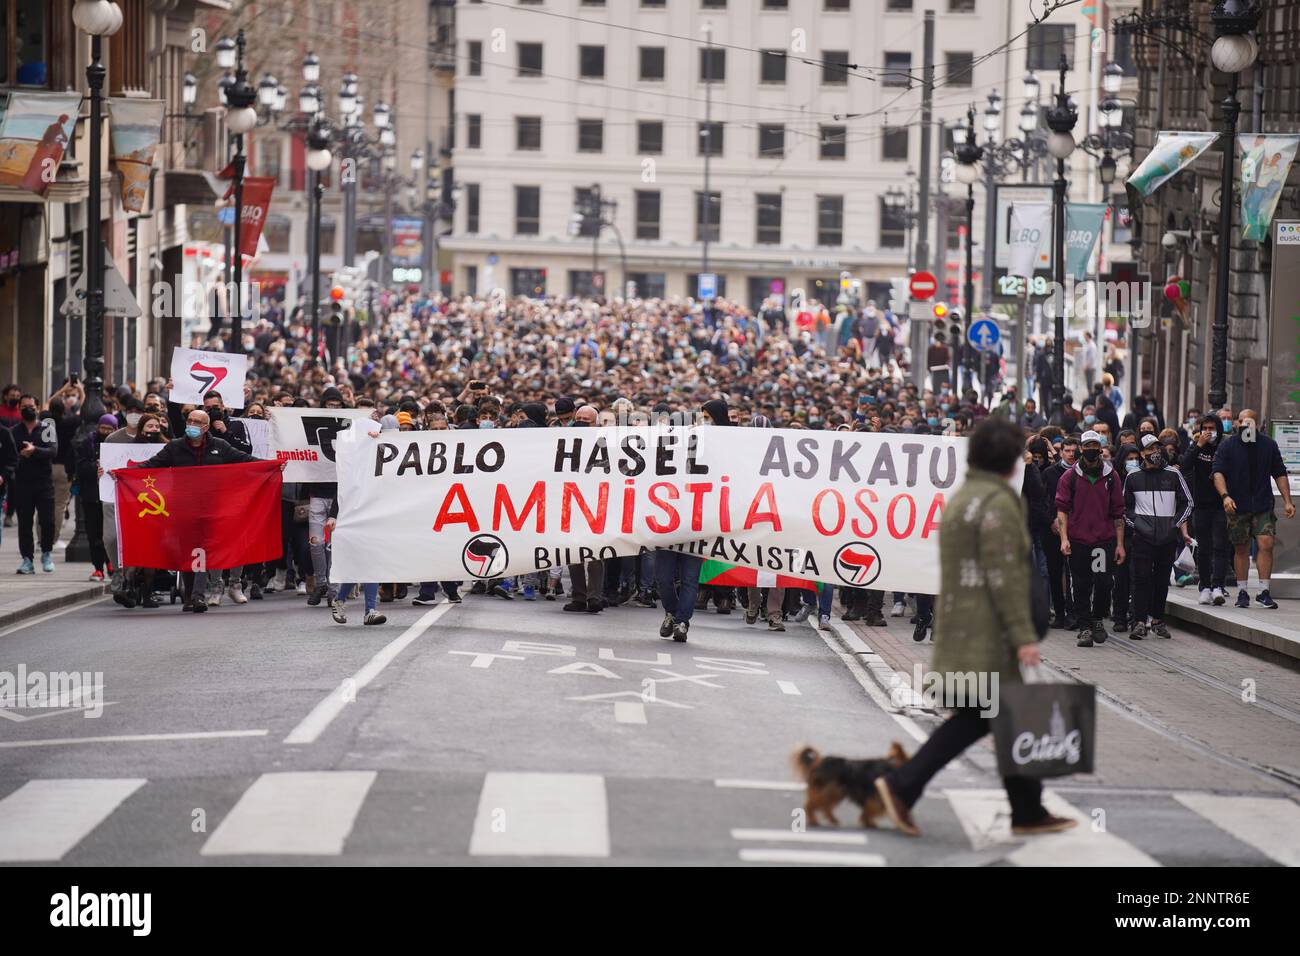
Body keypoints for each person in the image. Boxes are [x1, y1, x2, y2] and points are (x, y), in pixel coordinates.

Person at [873, 417, 1075, 838]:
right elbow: (1005, 576)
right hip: (991, 634)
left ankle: (1026, 809)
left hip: (962, 625)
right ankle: (901, 785)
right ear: (1010, 460)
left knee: (996, 716)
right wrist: (1023, 637)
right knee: (984, 716)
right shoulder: (999, 503)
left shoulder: (962, 498)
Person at [133, 408, 265, 613]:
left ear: (205, 426)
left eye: (196, 422)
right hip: (184, 509)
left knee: (203, 551)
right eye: (189, 421)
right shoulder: (175, 447)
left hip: (212, 509)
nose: (191, 425)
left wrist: (271, 465)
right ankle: (189, 597)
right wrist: (122, 473)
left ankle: (197, 597)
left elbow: (244, 459)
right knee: (188, 553)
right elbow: (151, 465)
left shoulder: (219, 446)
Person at [1212, 409, 1295, 609]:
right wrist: (1225, 496)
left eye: (1248, 421)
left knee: (1266, 543)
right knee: (1241, 548)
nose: (1244, 425)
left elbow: (1279, 473)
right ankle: (1242, 591)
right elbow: (1218, 473)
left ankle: (1264, 591)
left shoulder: (1268, 445)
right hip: (1238, 506)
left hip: (1262, 504)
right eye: (1240, 421)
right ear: (1236, 423)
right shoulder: (1228, 445)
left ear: (1256, 424)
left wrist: (1288, 501)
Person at [1055, 430, 1126, 647]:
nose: (1091, 449)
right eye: (1087, 446)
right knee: (1081, 584)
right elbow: (1062, 510)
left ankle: (1097, 619)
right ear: (1081, 449)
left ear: (1101, 447)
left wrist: (1120, 544)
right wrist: (1064, 539)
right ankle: (1084, 626)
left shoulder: (1111, 476)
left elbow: (1118, 512)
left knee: (1104, 582)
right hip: (1078, 540)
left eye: (1096, 445)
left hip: (1103, 542)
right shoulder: (1070, 477)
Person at [1124, 434, 1193, 639]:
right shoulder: (1133, 476)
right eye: (1150, 449)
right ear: (1143, 453)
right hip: (1142, 538)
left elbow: (1187, 502)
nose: (1155, 452)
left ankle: (1157, 620)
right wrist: (1137, 524)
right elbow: (1125, 507)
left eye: (1157, 448)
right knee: (1141, 579)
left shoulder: (1173, 474)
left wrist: (1174, 524)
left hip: (1167, 537)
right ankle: (1138, 621)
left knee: (1162, 580)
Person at [1181, 413, 1230, 605]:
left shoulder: (1225, 448)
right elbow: (1185, 465)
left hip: (1221, 504)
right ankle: (1205, 587)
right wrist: (1198, 445)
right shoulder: (1196, 447)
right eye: (1205, 429)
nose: (1209, 432)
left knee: (1221, 545)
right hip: (1201, 504)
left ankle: (1218, 585)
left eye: (1212, 428)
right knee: (1204, 548)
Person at [11, 394, 58, 574]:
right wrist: (19, 455)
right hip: (22, 483)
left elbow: (53, 451)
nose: (28, 409)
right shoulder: (14, 431)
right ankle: (27, 559)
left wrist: (34, 450)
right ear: (19, 409)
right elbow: (9, 454)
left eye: (31, 406)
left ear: (38, 408)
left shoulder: (47, 428)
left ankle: (46, 553)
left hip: (44, 482)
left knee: (47, 521)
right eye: (24, 406)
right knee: (24, 523)